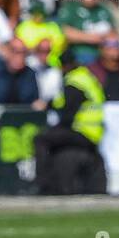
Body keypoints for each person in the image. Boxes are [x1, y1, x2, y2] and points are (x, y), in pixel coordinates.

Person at [36, 49, 107, 195]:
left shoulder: (74, 81)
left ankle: (44, 186)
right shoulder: (86, 77)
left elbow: (68, 113)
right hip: (94, 133)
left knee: (41, 140)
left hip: (83, 132)